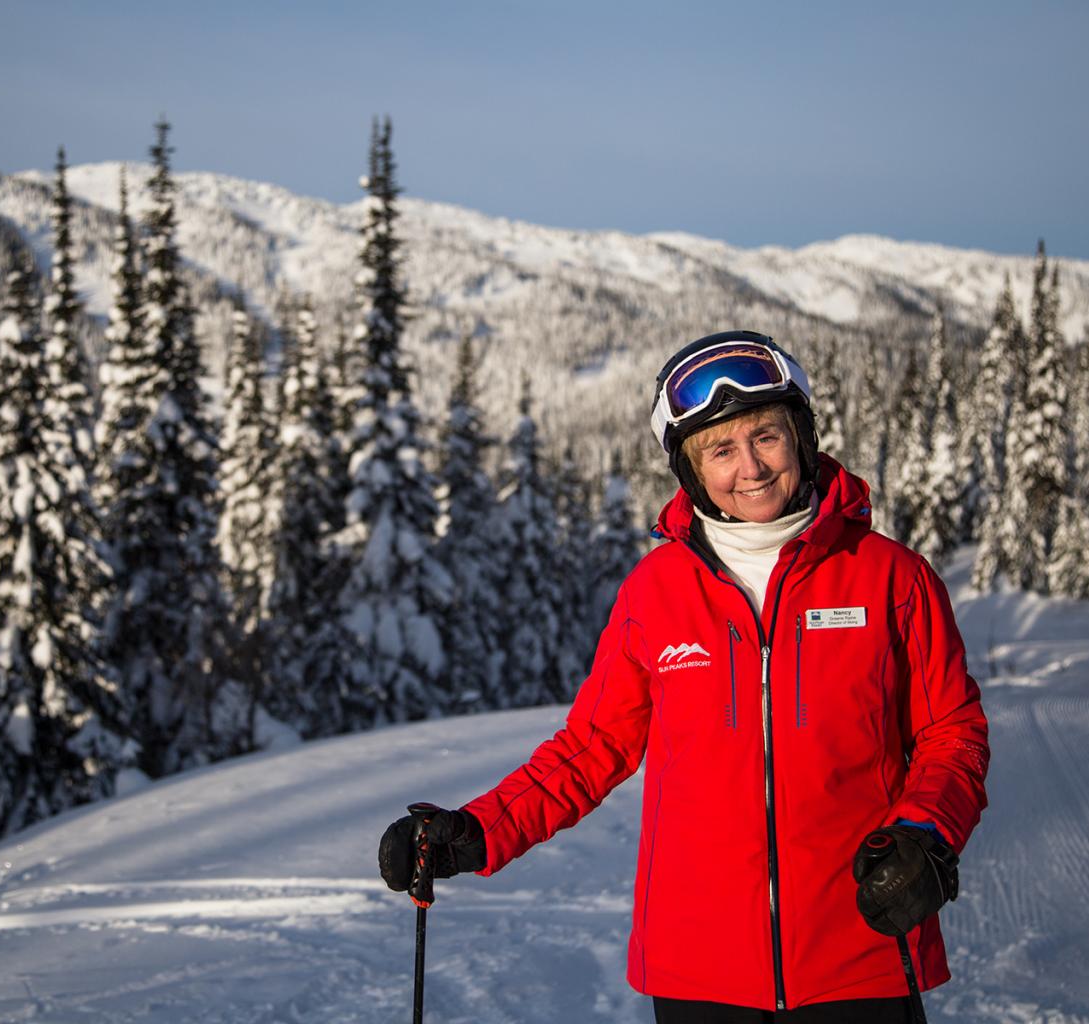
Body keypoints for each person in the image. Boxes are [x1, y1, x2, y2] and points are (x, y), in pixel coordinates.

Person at [378, 331, 991, 1022]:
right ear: (691, 470)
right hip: (701, 970)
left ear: (802, 435)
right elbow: (593, 748)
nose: (750, 467)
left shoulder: (889, 577)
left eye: (766, 435)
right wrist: (475, 831)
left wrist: (925, 833)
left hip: (862, 951)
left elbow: (951, 733)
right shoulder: (656, 593)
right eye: (720, 450)